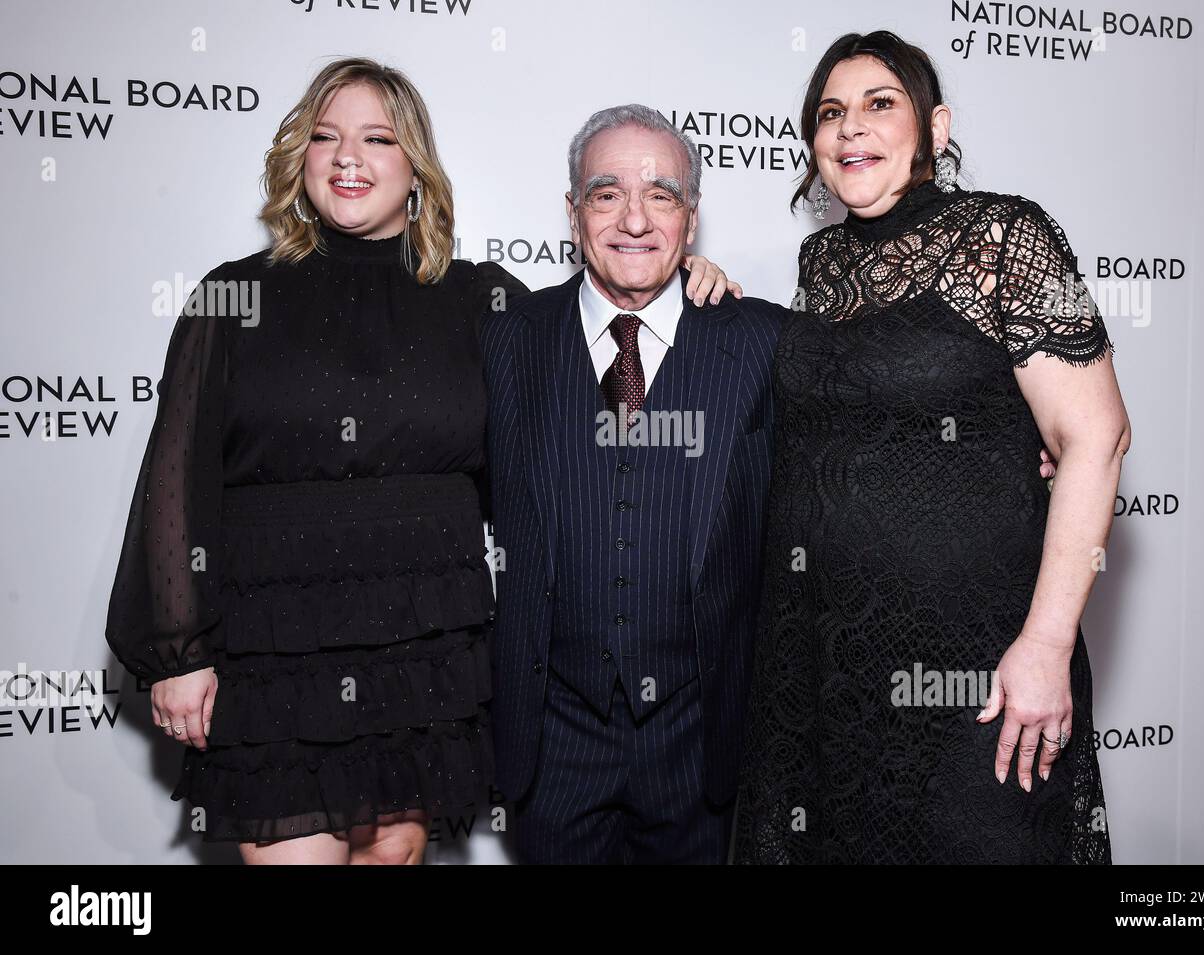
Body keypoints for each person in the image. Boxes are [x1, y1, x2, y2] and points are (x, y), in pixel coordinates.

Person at [105, 55, 732, 864]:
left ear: (416, 171)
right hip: (281, 654)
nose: (348, 157)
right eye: (325, 137)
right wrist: (176, 654)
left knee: (394, 857)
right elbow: (174, 483)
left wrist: (688, 282)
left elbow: (602, 328)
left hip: (422, 649)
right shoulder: (234, 297)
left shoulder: (479, 300)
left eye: (377, 137)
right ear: (300, 157)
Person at [733, 31, 1130, 864]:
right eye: (831, 112)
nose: (850, 128)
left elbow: (1096, 436)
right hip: (828, 661)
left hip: (974, 665)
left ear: (935, 129)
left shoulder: (1006, 236)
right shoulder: (823, 262)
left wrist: (1047, 645)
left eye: (881, 104)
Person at [480, 105, 787, 864]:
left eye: (662, 194)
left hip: (699, 737)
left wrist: (1021, 443)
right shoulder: (505, 337)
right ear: (573, 212)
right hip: (553, 740)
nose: (635, 219)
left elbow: (861, 449)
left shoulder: (762, 341)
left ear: (691, 215)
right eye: (606, 192)